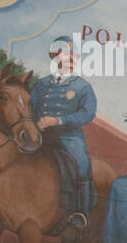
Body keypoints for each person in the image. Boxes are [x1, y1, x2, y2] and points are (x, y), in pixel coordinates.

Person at [32, 35, 97, 229]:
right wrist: (37, 123)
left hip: (68, 136)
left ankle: (80, 211)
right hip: (41, 133)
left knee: (82, 164)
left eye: (74, 54)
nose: (71, 58)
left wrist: (59, 120)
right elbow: (30, 108)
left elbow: (87, 114)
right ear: (55, 56)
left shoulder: (82, 86)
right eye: (66, 53)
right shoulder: (41, 84)